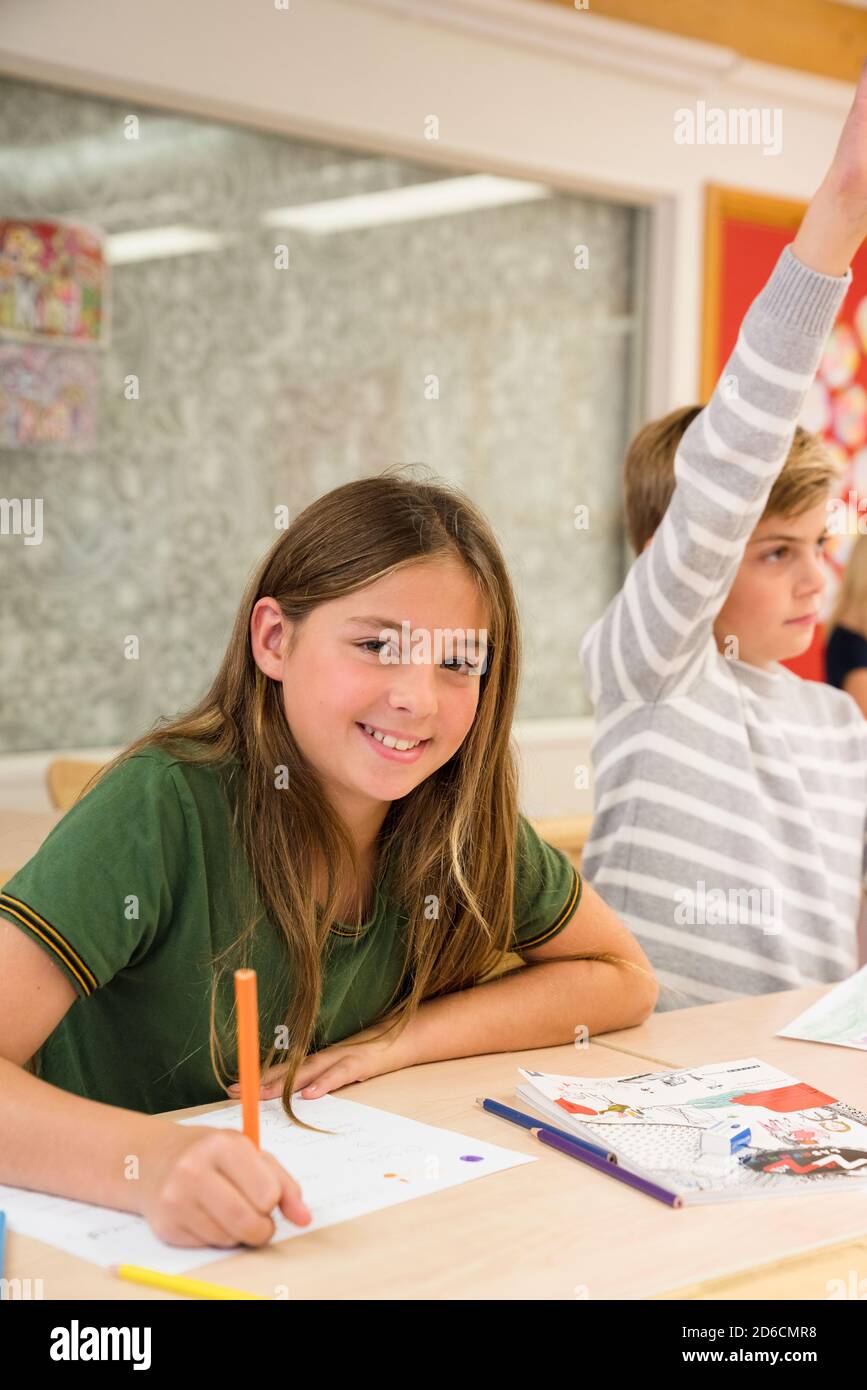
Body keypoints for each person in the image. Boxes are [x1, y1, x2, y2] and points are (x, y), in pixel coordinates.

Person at [0, 471, 656, 1250]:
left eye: (457, 662)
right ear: (274, 640)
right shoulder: (163, 804)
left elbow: (621, 979)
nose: (417, 696)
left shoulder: (458, 817)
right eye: (377, 645)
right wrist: (150, 1160)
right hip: (107, 1242)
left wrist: (398, 1041)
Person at [579, 65, 867, 1009]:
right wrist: (835, 219)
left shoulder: (837, 728)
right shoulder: (652, 670)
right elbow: (726, 474)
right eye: (774, 551)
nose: (810, 578)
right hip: (647, 1091)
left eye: (818, 546)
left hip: (803, 1101)